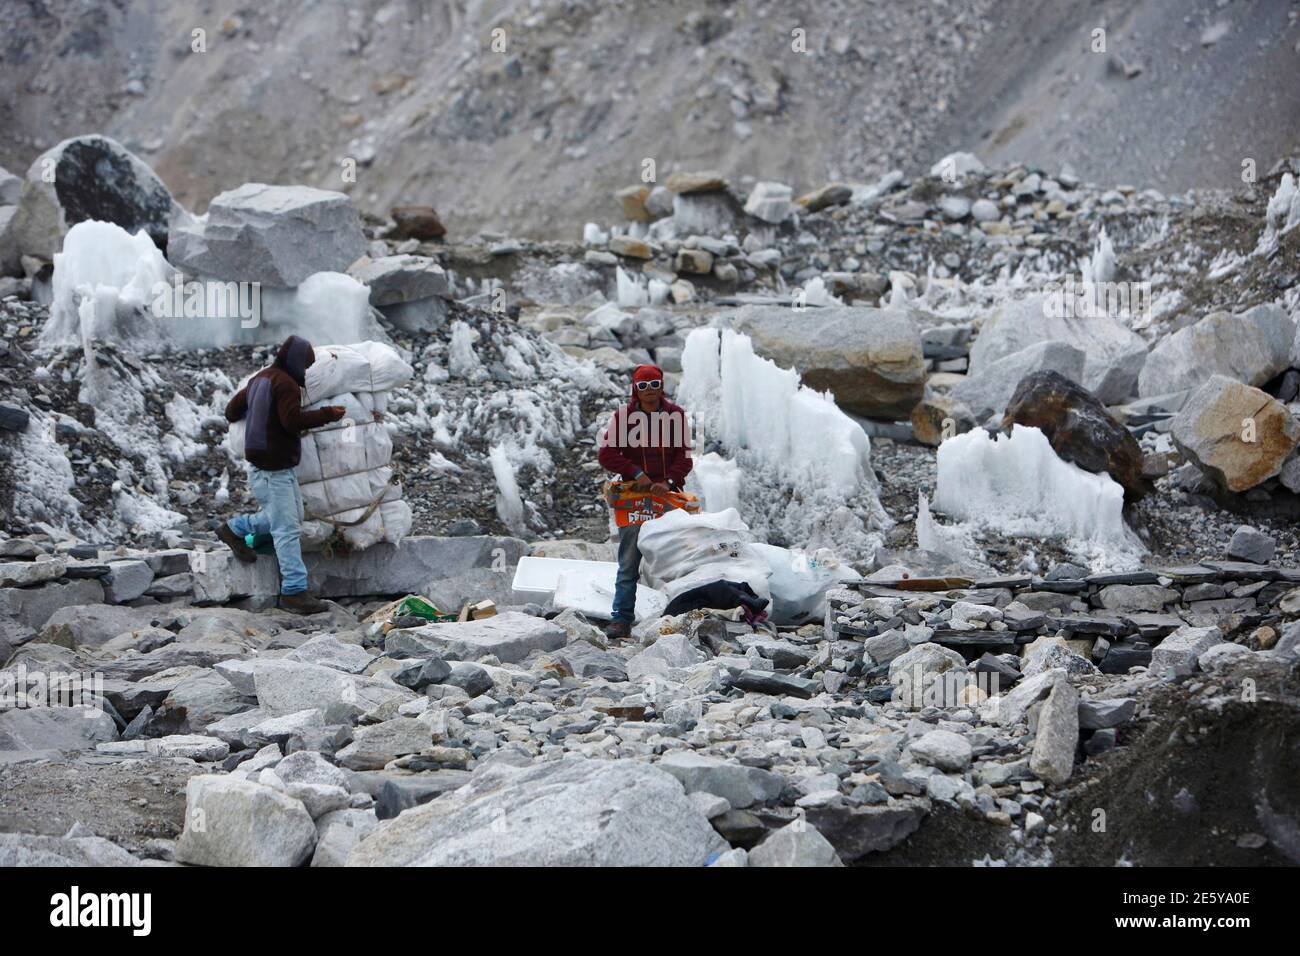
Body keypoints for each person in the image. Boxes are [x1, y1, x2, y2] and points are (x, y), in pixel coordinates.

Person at [216, 334, 345, 614]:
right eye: (305, 365)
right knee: (286, 530)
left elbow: (230, 411)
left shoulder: (259, 380)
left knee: (290, 518)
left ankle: (234, 529)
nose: (306, 372)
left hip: (262, 469)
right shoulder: (286, 384)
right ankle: (294, 592)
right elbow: (292, 421)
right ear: (296, 361)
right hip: (274, 470)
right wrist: (328, 414)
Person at [596, 364, 692, 640]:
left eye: (654, 384)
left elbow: (684, 458)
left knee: (678, 558)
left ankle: (679, 617)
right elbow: (607, 454)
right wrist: (637, 474)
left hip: (666, 496)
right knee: (629, 561)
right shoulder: (624, 417)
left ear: (662, 385)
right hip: (634, 497)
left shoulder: (676, 416)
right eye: (643, 386)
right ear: (634, 389)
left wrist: (668, 482)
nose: (649, 391)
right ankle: (621, 619)